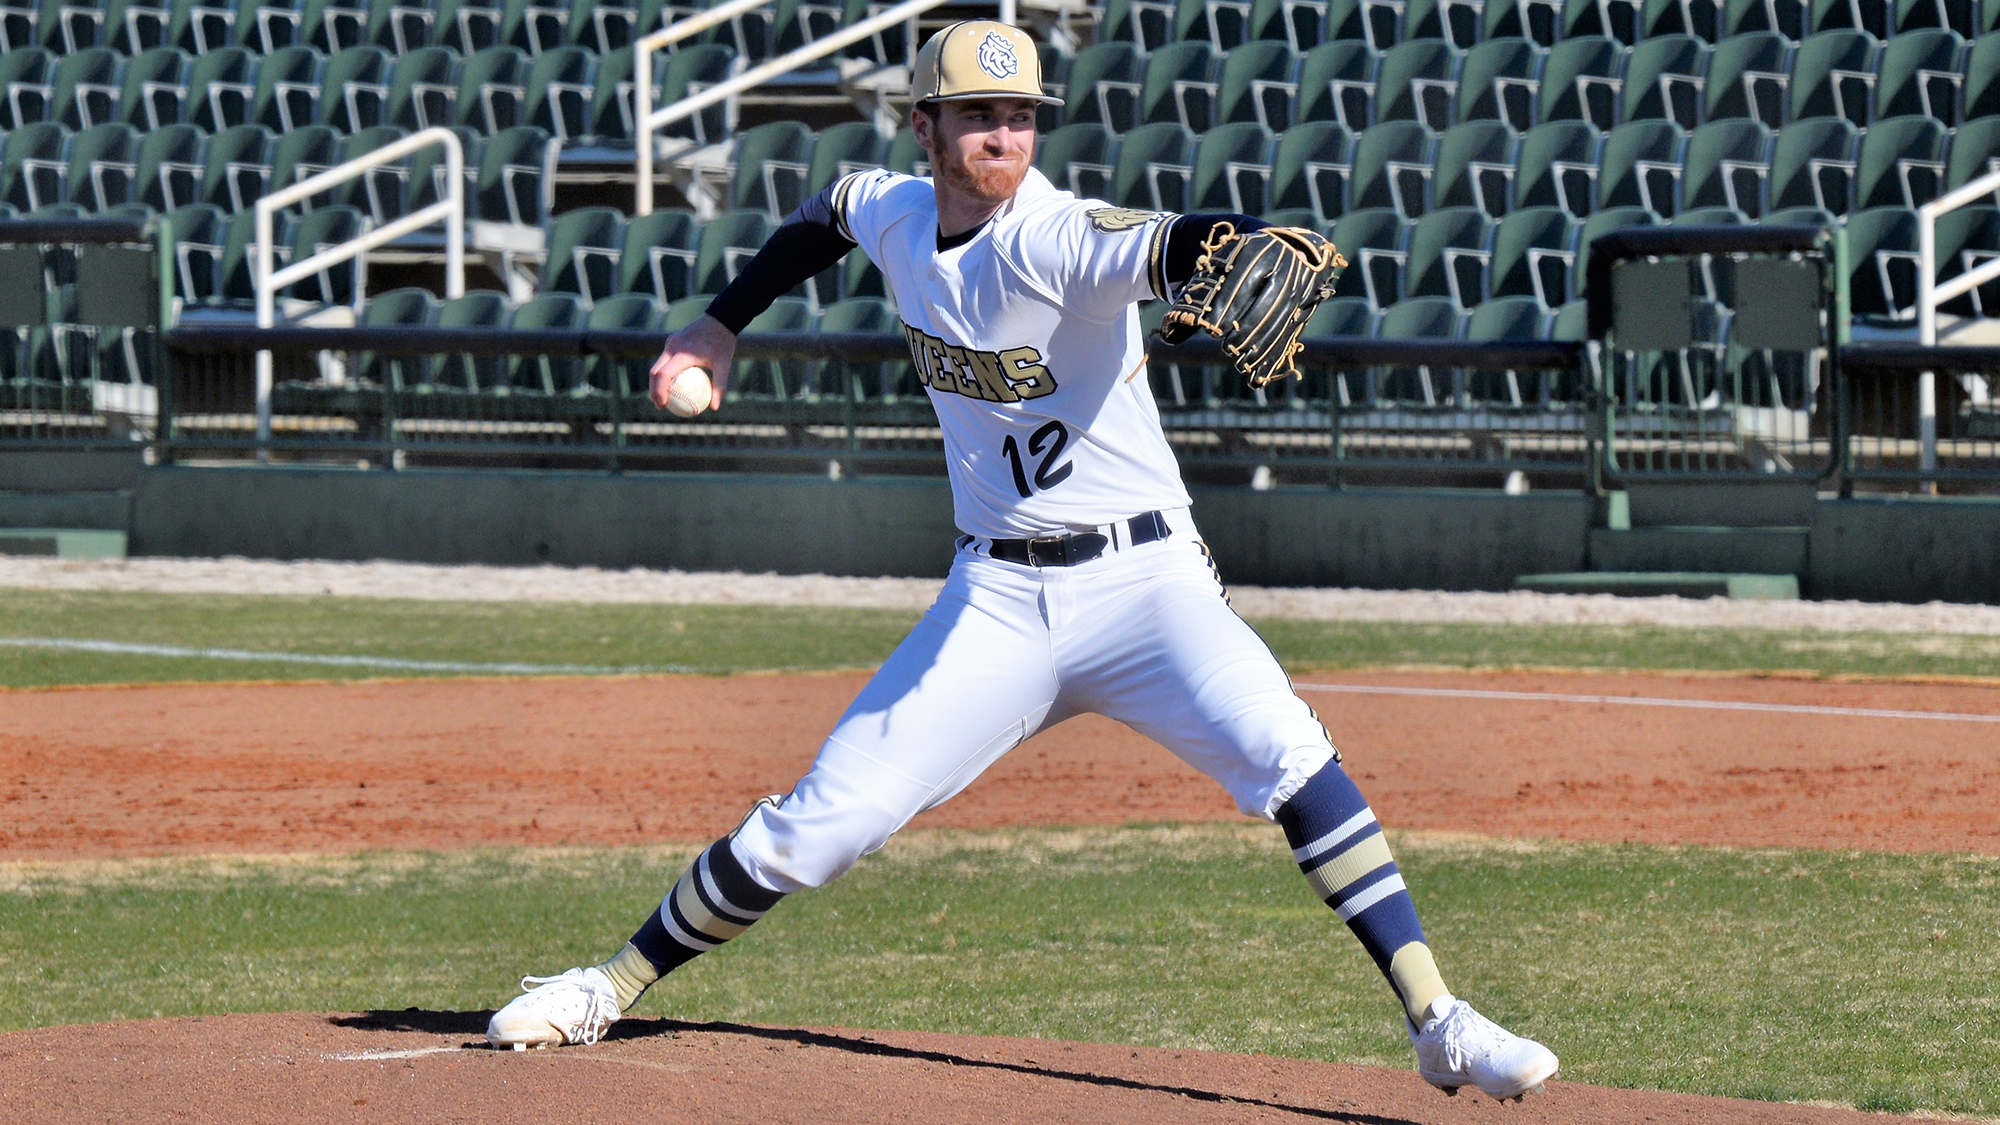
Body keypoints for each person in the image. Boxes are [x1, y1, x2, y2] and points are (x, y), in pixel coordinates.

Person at [486, 19, 1559, 1102]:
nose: (1004, 135)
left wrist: (1233, 240)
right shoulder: (897, 214)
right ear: (924, 127)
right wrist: (720, 324)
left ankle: (1438, 1020)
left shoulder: (1055, 237)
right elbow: (823, 216)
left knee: (1289, 753)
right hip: (997, 594)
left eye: (1020, 115)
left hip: (1146, 585)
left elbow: (1165, 242)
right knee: (820, 827)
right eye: (977, 115)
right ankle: (605, 986)